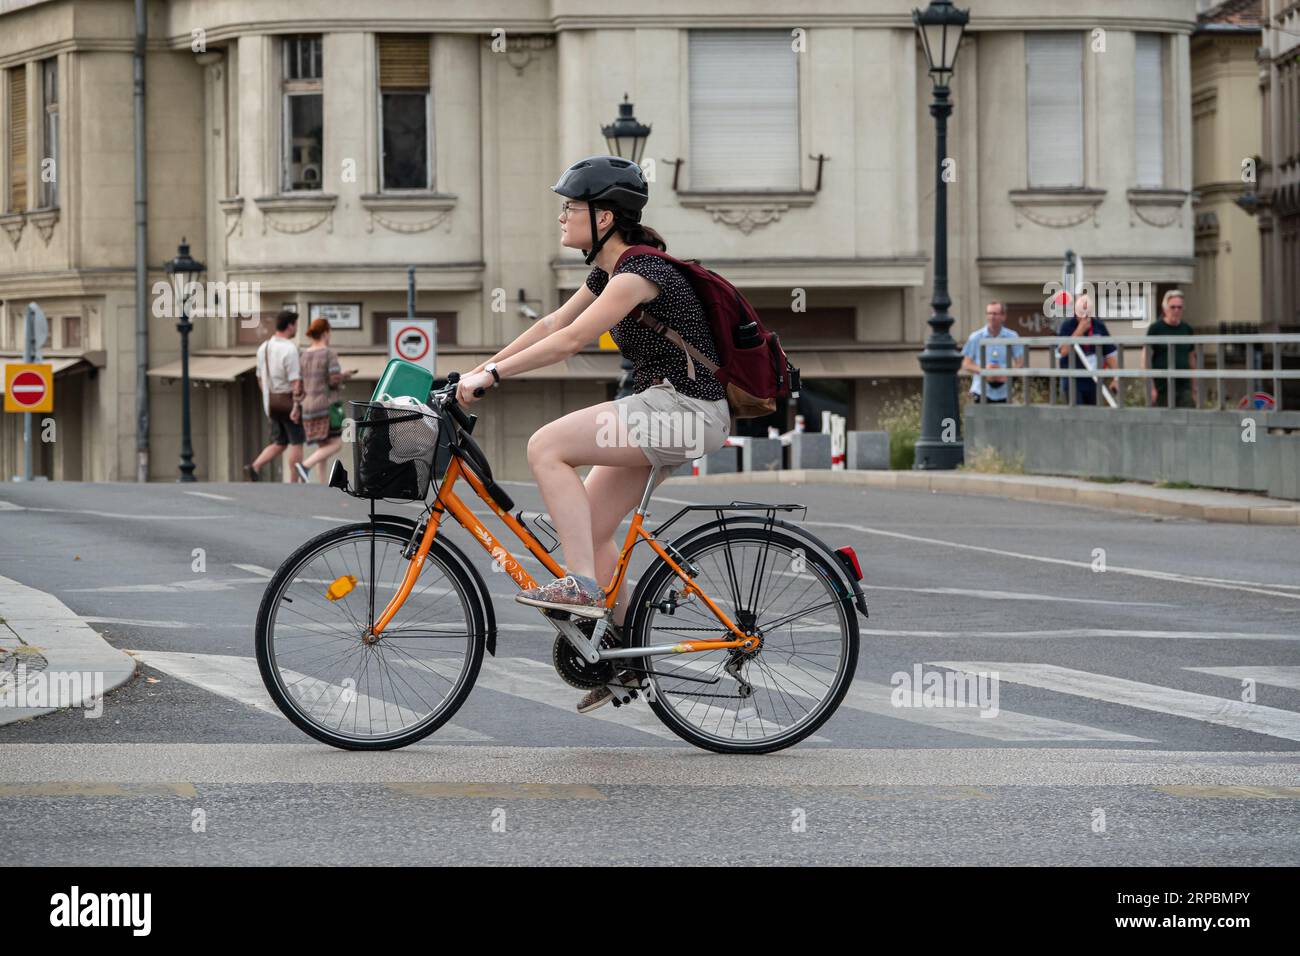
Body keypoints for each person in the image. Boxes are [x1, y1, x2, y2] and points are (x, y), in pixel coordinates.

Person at [455, 155, 730, 713]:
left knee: (545, 446)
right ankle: (626, 657)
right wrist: (478, 370)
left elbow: (569, 343)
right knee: (594, 527)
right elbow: (551, 324)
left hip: (685, 409)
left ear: (605, 217)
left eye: (570, 207)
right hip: (663, 405)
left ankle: (580, 585)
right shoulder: (609, 272)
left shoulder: (638, 275)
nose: (561, 216)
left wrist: (496, 376)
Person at [294, 317, 356, 482]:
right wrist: (345, 375)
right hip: (325, 406)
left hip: (307, 406)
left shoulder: (303, 355)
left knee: (323, 445)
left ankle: (322, 482)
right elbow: (333, 380)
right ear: (325, 333)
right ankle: (305, 466)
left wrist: (296, 406)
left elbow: (298, 384)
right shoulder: (329, 353)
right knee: (336, 444)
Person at [249, 309, 305, 481]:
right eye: (295, 324)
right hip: (288, 401)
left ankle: (255, 466)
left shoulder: (263, 347)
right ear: (290, 326)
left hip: (270, 402)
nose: (296, 328)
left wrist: (268, 397)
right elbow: (295, 382)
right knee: (296, 441)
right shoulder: (290, 349)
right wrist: (296, 406)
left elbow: (259, 378)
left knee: (280, 442)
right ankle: (294, 481)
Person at [1056, 291, 1119, 406]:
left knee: (1093, 414)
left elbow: (1109, 354)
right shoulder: (1067, 326)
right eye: (1081, 313)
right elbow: (1062, 351)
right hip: (1073, 379)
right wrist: (1079, 332)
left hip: (1094, 379)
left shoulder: (1099, 326)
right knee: (1078, 413)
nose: (1084, 317)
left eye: (1087, 313)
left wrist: (1116, 378)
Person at [961, 301, 1024, 403]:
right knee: (981, 419)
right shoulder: (976, 337)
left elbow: (1020, 362)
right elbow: (966, 363)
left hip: (1004, 392)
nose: (991, 317)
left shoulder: (1012, 337)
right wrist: (984, 371)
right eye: (989, 313)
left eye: (995, 313)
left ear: (1003, 316)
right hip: (981, 391)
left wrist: (1007, 374)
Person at [1143, 289, 1197, 408]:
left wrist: (1194, 388)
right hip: (1162, 388)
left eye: (1179, 307)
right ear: (1165, 309)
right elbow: (1146, 360)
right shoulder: (1155, 329)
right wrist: (1151, 388)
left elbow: (1192, 360)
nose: (1176, 310)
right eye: (1173, 307)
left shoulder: (1187, 329)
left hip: (1184, 387)